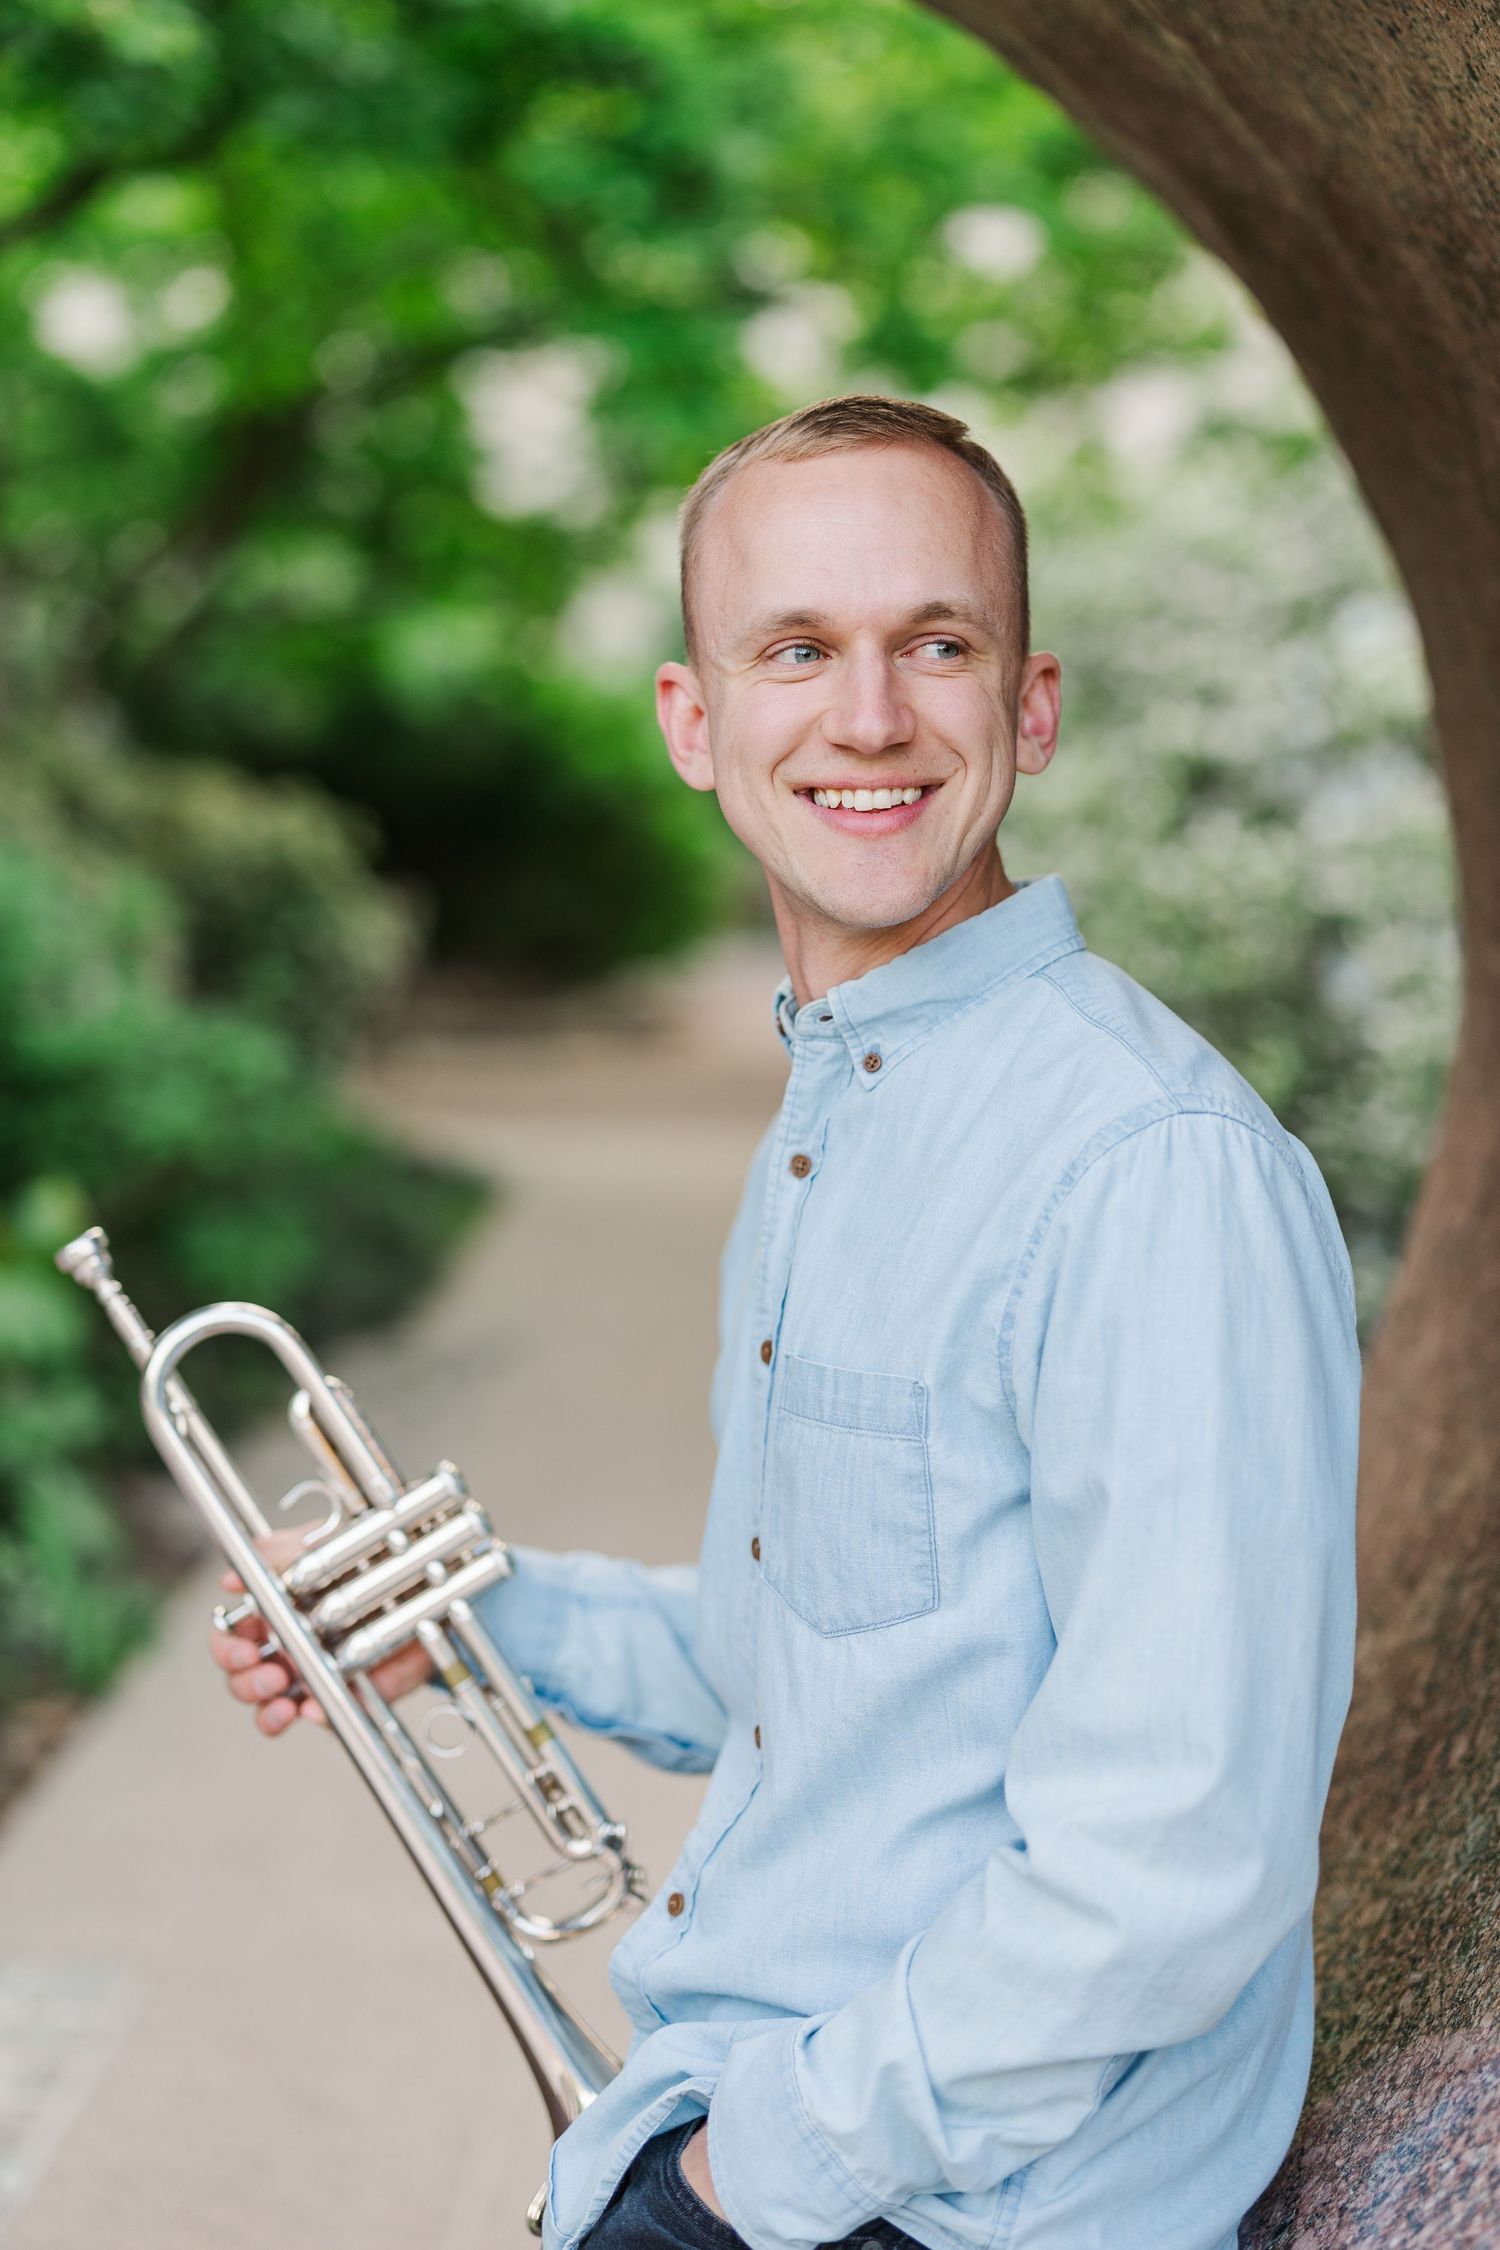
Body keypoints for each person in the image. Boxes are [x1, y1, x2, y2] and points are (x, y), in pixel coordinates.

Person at [212, 394, 1361, 2250]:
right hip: (781, 2122)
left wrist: (760, 2171)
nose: (870, 717)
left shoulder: (1154, 1170)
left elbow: (1178, 1855)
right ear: (697, 722)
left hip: (959, 2199)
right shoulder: (843, 1108)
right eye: (797, 649)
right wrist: (452, 1618)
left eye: (938, 644)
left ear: (1033, 705)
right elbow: (830, 1664)